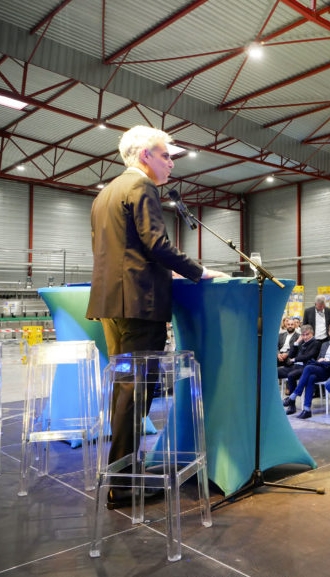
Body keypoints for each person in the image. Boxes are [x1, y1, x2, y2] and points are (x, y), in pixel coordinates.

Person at [86, 125, 226, 506]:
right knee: (136, 394)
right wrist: (198, 271)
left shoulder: (105, 194)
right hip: (139, 305)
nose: (171, 164)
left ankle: (123, 472)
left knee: (125, 392)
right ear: (145, 155)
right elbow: (156, 243)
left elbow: (121, 250)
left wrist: (166, 271)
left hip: (113, 305)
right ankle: (122, 484)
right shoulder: (142, 187)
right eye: (166, 156)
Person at [284, 323, 330, 418]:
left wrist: (326, 361)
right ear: (328, 333)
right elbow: (318, 358)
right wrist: (321, 360)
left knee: (308, 367)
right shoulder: (325, 344)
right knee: (310, 378)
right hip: (321, 368)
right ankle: (307, 409)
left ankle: (294, 395)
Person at [278, 324, 320, 400]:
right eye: (303, 335)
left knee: (291, 375)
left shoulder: (316, 343)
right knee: (276, 372)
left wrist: (295, 359)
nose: (305, 337)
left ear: (312, 333)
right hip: (294, 366)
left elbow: (308, 356)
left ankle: (291, 401)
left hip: (305, 367)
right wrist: (296, 342)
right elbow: (290, 355)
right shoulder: (300, 342)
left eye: (307, 334)